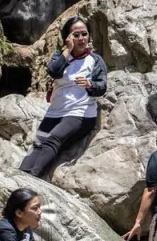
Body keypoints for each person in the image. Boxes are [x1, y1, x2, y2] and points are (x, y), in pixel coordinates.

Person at [19, 16, 107, 178]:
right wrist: (67, 51)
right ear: (67, 37)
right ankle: (19, 176)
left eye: (84, 34)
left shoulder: (95, 60)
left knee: (53, 139)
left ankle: (32, 178)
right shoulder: (60, 56)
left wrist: (89, 85)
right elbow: (53, 71)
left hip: (80, 113)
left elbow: (101, 87)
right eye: (76, 35)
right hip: (56, 111)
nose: (81, 39)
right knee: (38, 142)